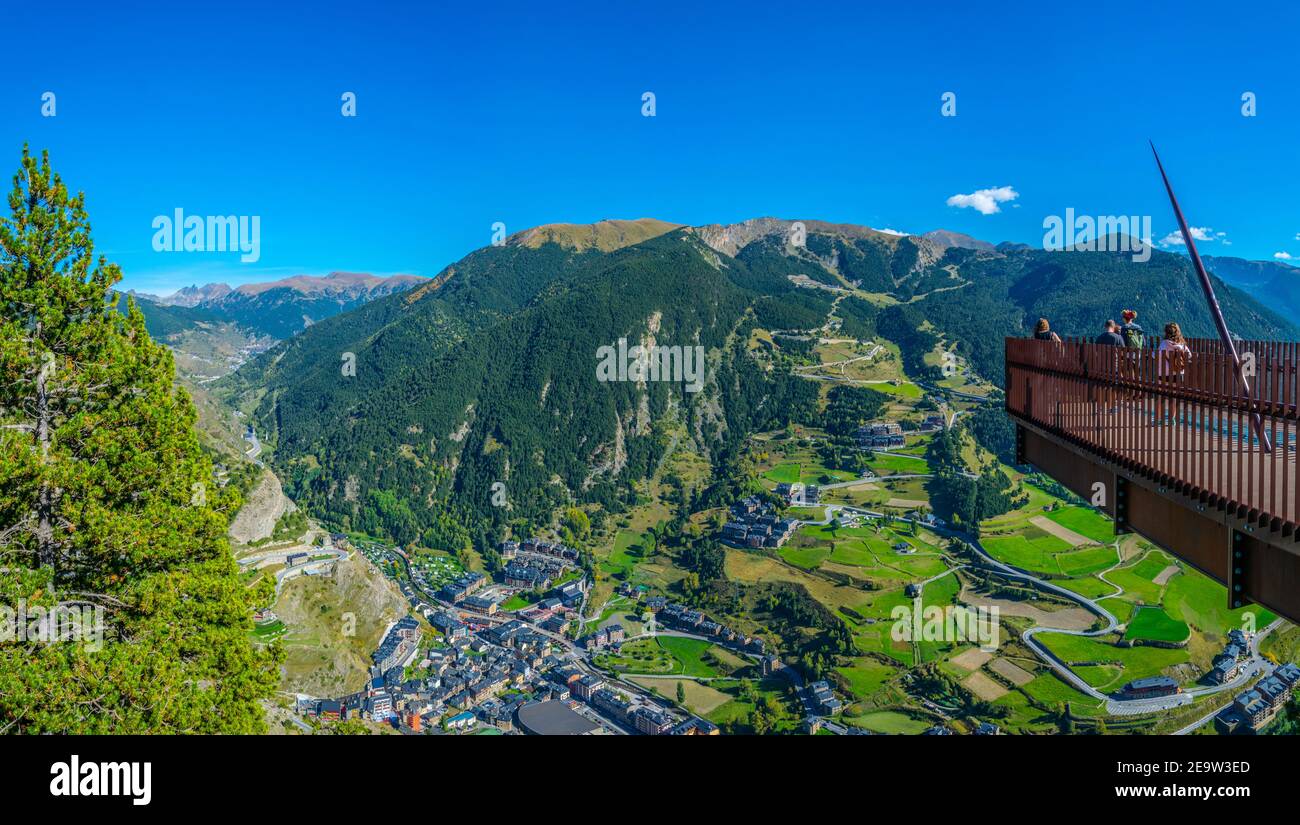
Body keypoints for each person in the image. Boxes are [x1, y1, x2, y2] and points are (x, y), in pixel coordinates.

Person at [1157, 321, 1191, 423]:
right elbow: (1189, 356)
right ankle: (1172, 419)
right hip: (1178, 373)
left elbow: (1156, 355)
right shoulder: (1182, 344)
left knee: (1161, 396)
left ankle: (1159, 419)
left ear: (1166, 332)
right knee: (1175, 397)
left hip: (1164, 373)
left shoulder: (1164, 343)